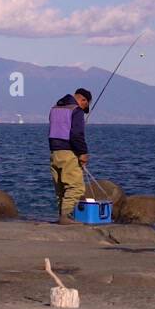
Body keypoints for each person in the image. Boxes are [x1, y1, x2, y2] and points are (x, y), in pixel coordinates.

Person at [48, 88, 92, 224]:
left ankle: (62, 215)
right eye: (86, 105)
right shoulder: (76, 110)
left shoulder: (54, 108)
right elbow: (76, 135)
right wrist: (82, 153)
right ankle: (66, 216)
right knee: (75, 187)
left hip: (54, 153)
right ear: (83, 99)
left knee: (60, 187)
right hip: (69, 153)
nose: (84, 109)